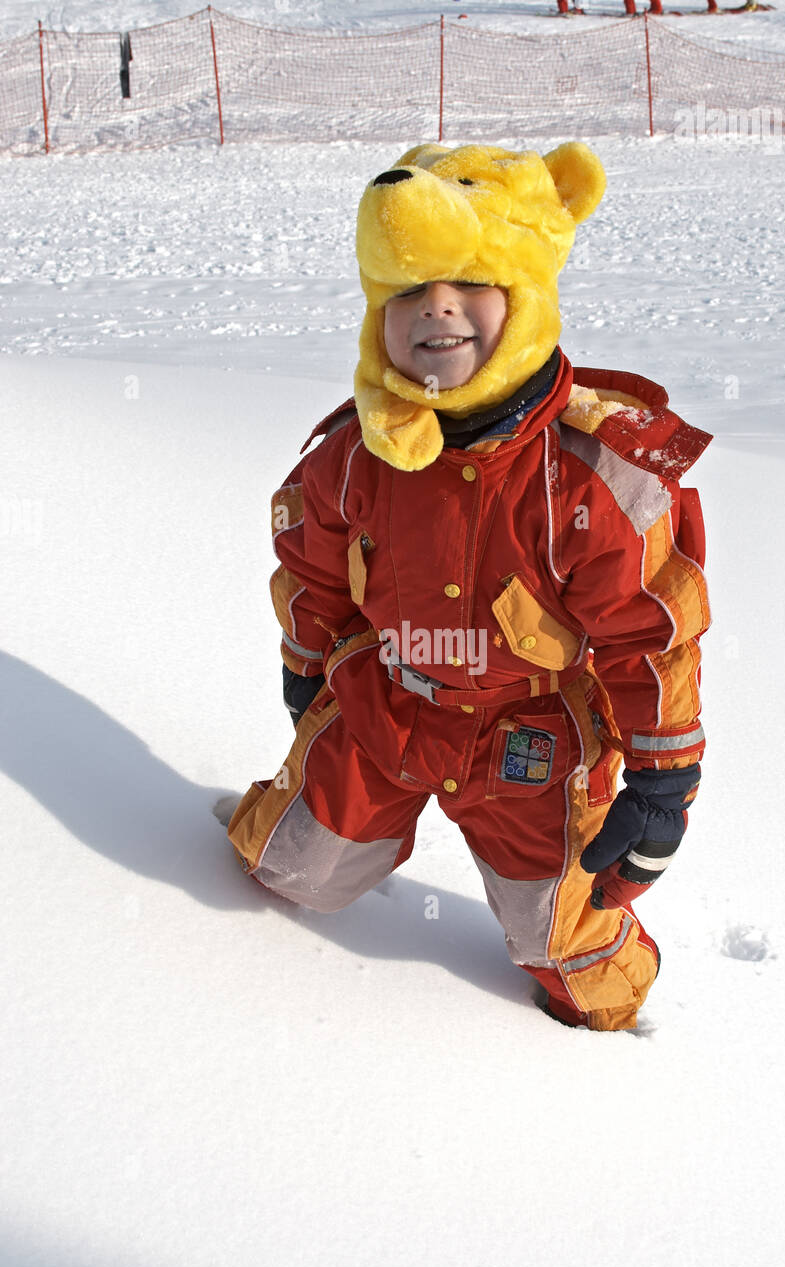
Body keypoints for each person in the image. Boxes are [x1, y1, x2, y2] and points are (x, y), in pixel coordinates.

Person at [226, 140, 711, 1032]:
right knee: (293, 867)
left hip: (530, 735)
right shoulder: (354, 455)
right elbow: (311, 562)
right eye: (407, 288)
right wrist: (307, 662)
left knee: (567, 944)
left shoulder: (592, 475)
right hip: (387, 701)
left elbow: (654, 634)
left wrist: (662, 779)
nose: (435, 309)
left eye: (470, 282)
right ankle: (269, 824)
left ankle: (612, 1044)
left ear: (525, 296)